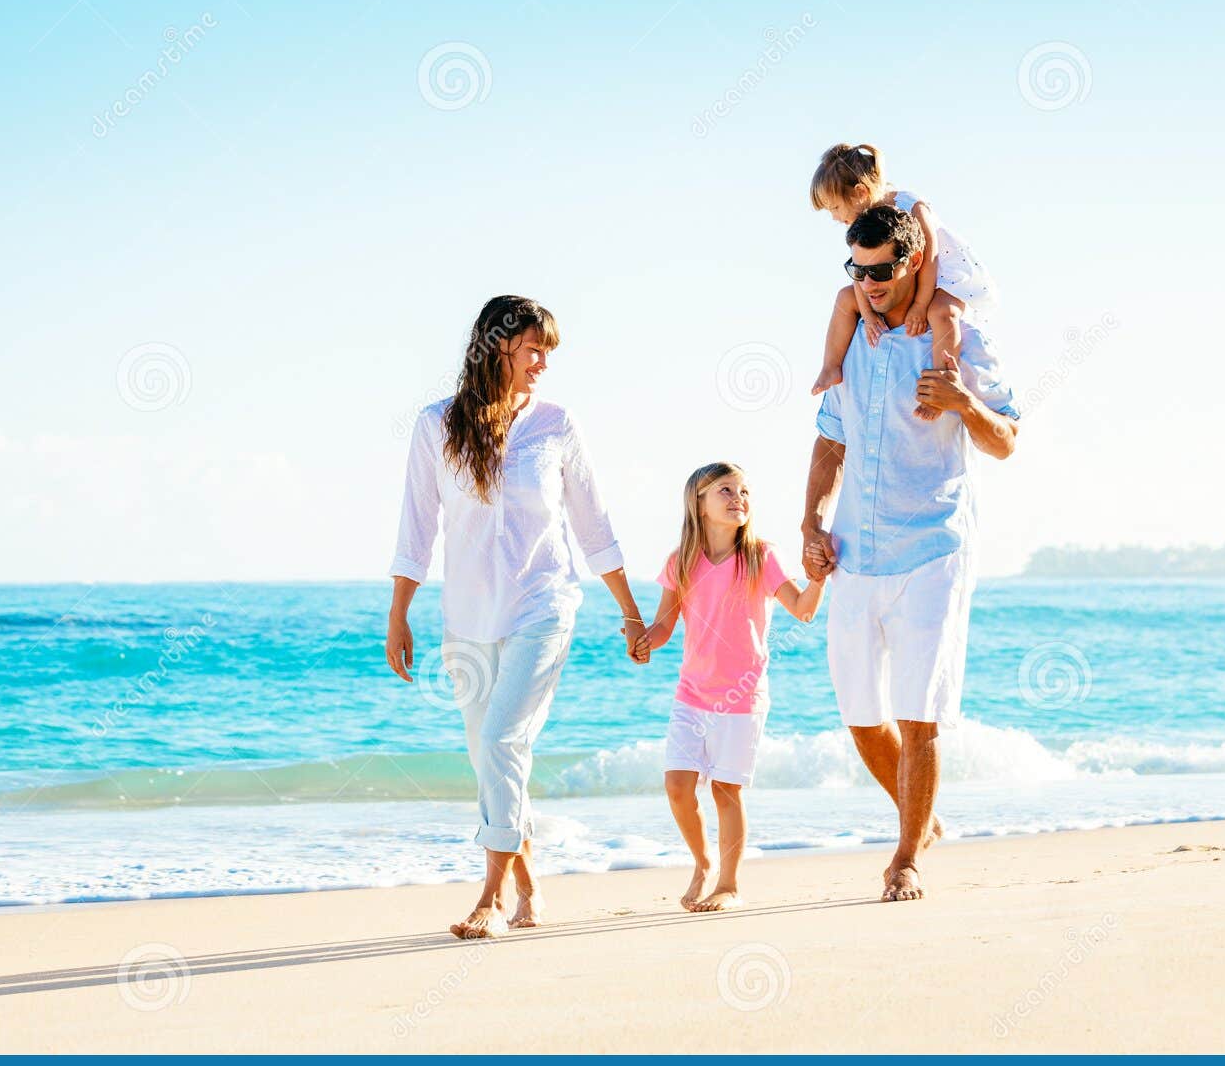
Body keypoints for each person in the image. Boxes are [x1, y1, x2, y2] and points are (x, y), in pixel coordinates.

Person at [387, 295, 647, 939]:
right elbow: (416, 526)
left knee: (502, 741)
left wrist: (630, 613)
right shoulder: (436, 425)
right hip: (466, 616)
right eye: (534, 350)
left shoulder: (557, 424)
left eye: (546, 353)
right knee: (489, 755)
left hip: (543, 606)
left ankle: (491, 897)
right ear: (497, 346)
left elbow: (593, 524)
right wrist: (399, 614)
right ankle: (530, 886)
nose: (542, 364)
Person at [801, 206, 1019, 902]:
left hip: (932, 549)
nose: (869, 284)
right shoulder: (850, 338)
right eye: (857, 271)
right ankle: (922, 818)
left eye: (882, 271)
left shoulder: (959, 334)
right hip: (855, 554)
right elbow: (830, 438)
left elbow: (1006, 440)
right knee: (863, 719)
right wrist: (811, 522)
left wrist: (963, 402)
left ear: (913, 260)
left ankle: (905, 859)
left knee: (919, 715)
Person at [632, 462, 823, 912]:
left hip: (742, 699)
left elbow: (803, 610)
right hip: (691, 694)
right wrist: (644, 641)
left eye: (744, 491)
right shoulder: (680, 561)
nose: (739, 498)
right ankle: (702, 863)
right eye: (725, 490)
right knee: (677, 787)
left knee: (725, 791)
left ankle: (729, 884)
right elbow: (664, 626)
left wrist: (819, 578)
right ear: (698, 503)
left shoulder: (760, 556)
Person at [807, 142, 999, 415]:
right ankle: (831, 366)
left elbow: (929, 259)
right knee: (844, 298)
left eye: (835, 207)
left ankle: (940, 386)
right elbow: (861, 273)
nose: (835, 217)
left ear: (860, 192)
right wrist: (868, 316)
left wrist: (920, 305)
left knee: (941, 313)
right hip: (898, 275)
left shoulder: (911, 205)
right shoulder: (863, 225)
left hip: (945, 275)